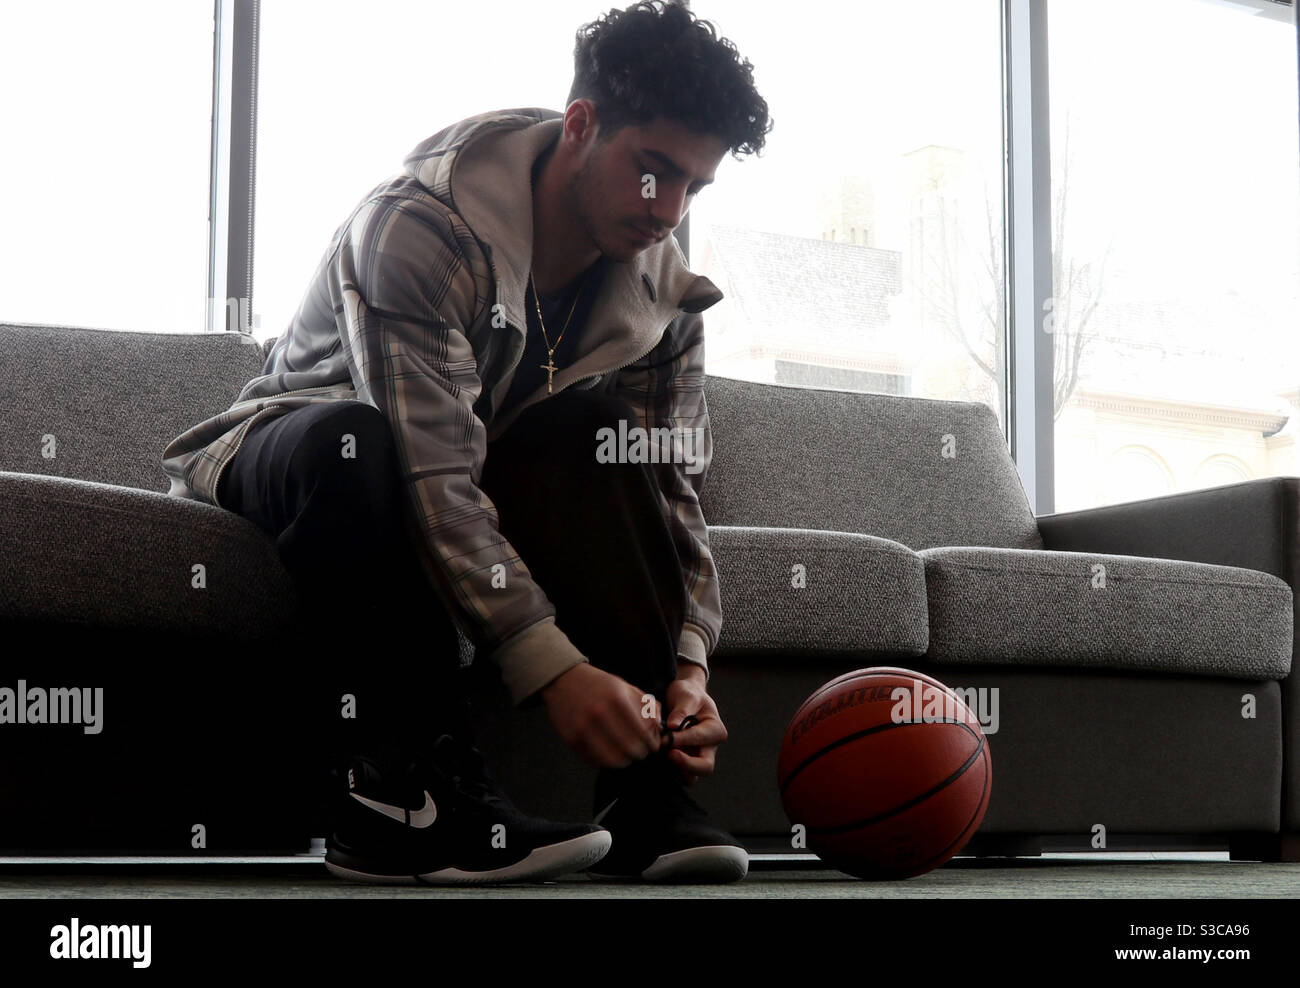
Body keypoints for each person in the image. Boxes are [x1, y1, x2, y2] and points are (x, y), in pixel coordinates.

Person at [160, 0, 771, 885]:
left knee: (603, 438)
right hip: (296, 447)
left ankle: (646, 789)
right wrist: (551, 668)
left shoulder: (664, 301)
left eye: (693, 187)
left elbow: (673, 495)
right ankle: (402, 803)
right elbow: (432, 474)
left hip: (465, 456)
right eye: (652, 172)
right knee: (353, 441)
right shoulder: (419, 229)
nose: (667, 210)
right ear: (581, 124)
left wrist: (686, 666)